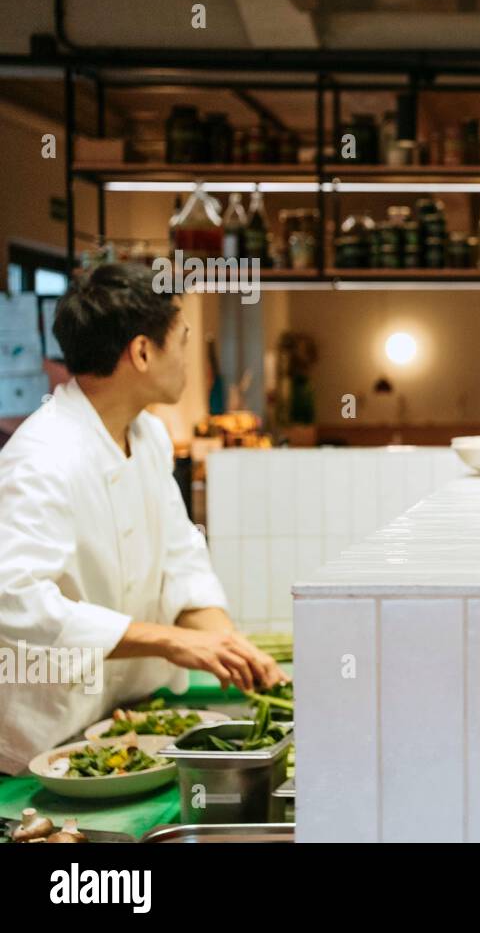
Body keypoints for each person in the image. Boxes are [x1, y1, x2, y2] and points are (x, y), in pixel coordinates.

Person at [0, 263, 285, 775]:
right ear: (142, 351)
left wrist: (222, 639)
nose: (188, 358)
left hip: (132, 721)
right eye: (184, 340)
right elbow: (15, 601)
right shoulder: (42, 457)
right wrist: (173, 641)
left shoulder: (148, 434)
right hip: (49, 742)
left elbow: (180, 553)